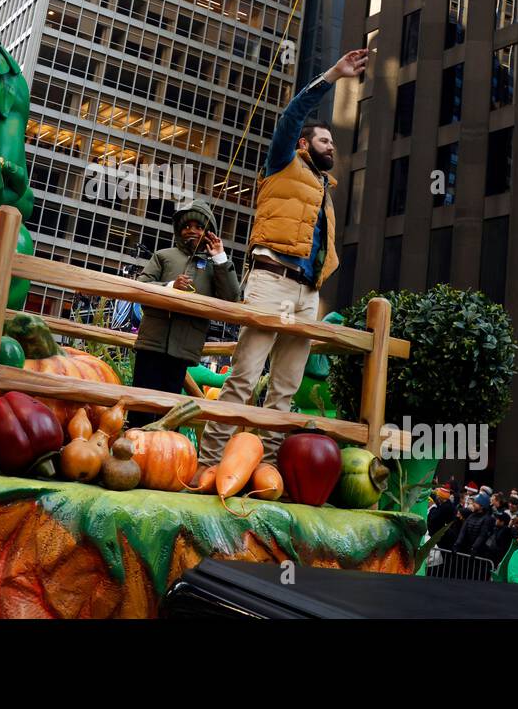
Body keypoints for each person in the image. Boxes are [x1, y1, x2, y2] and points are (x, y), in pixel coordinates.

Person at [198, 48, 369, 467]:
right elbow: (292, 114)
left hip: (307, 295)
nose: (332, 146)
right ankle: (208, 464)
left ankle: (266, 467)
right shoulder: (282, 162)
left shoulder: (322, 188)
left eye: (332, 141)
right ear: (303, 143)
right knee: (243, 378)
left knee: (286, 389)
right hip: (272, 280)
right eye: (325, 139)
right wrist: (334, 73)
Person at [131, 200, 240, 405]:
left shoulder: (214, 266)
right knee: (141, 401)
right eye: (187, 226)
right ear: (179, 230)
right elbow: (141, 287)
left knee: (170, 404)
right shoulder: (163, 256)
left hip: (184, 348)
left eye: (199, 227)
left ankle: (166, 438)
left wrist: (220, 258)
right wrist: (171, 286)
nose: (192, 231)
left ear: (209, 234)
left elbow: (231, 297)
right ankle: (136, 436)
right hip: (152, 342)